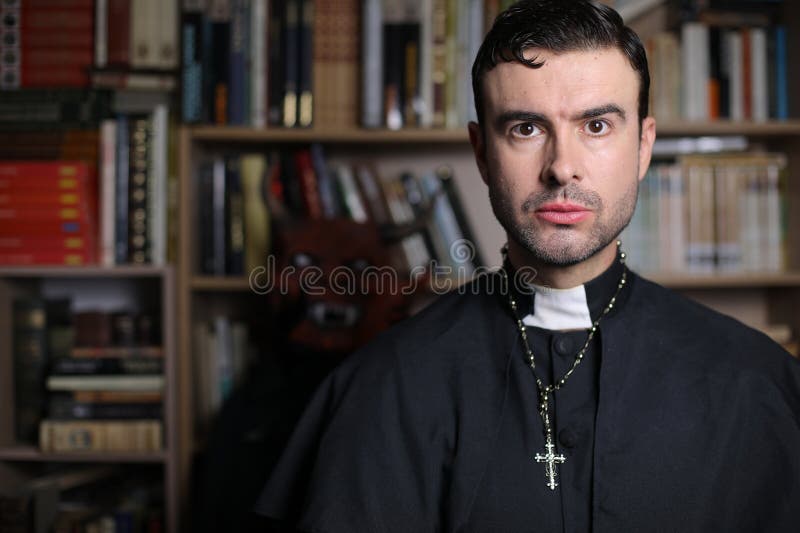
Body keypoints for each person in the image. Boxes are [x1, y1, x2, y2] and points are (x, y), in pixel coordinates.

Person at [256, 1, 800, 531]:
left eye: (597, 126)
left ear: (643, 146)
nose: (562, 167)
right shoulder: (380, 386)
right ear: (481, 152)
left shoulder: (756, 383)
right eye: (525, 128)